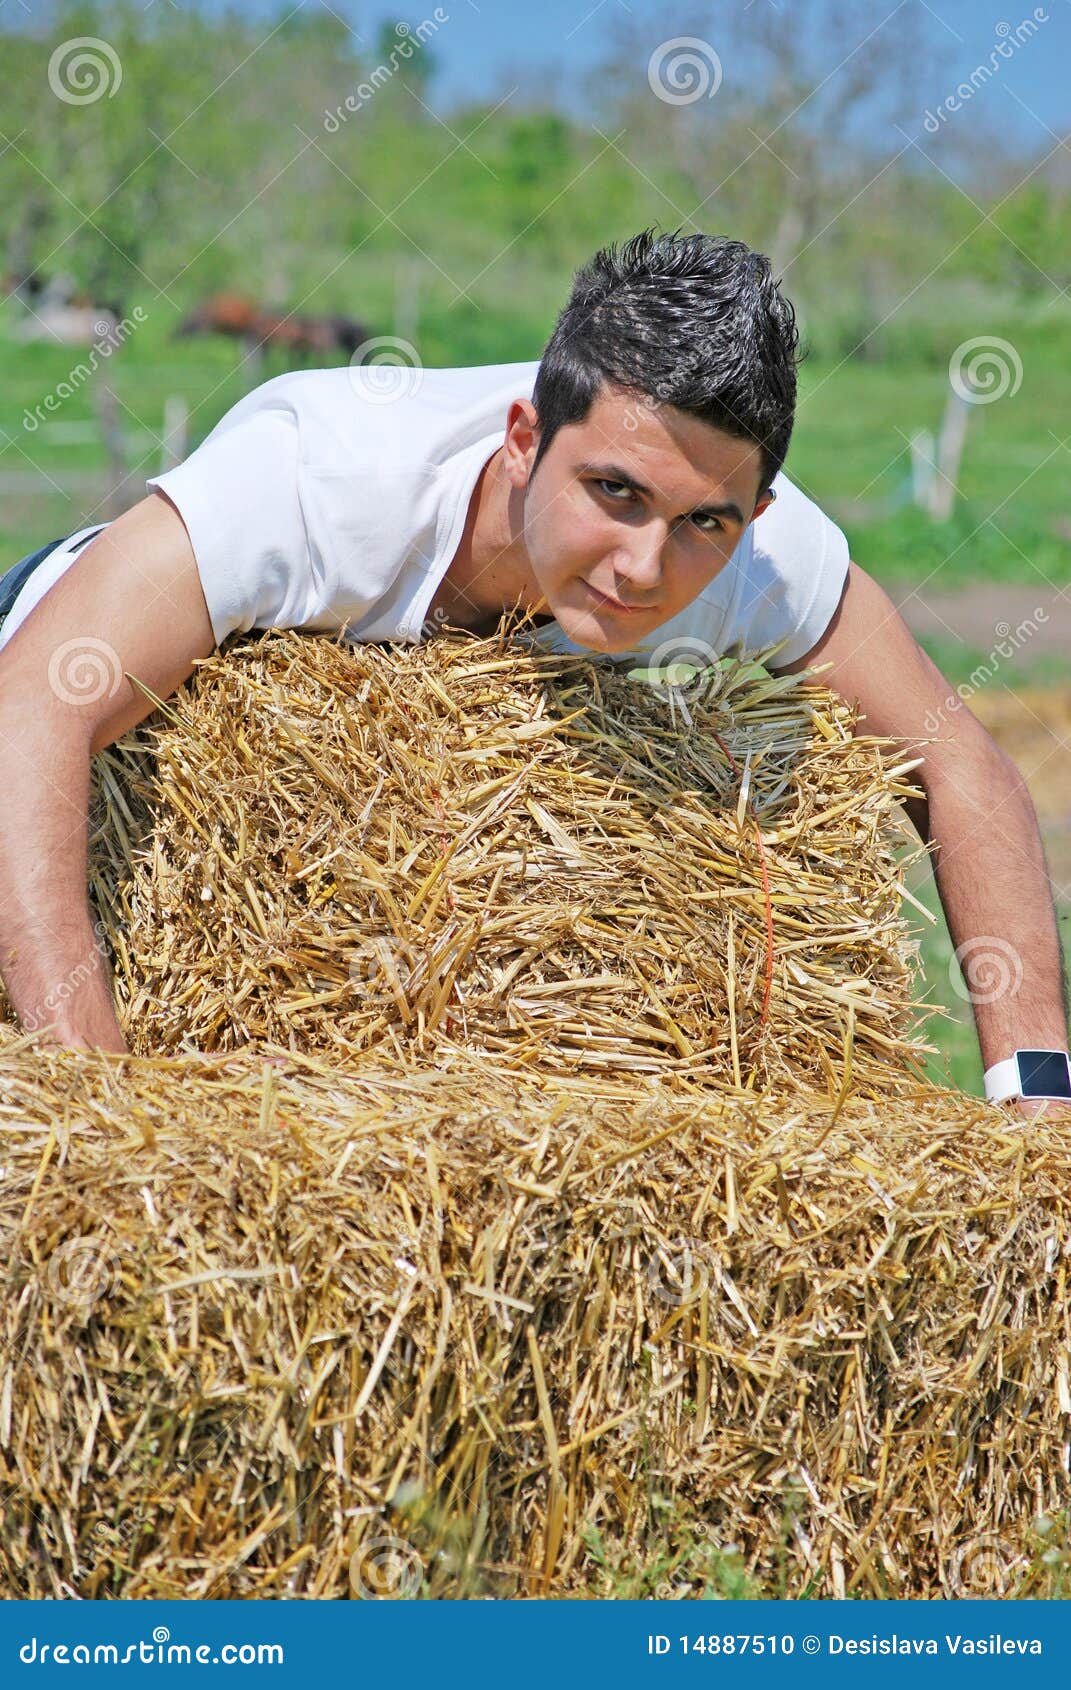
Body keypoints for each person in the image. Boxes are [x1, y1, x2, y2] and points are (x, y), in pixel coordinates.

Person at [0, 227, 1067, 1116]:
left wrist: (1037, 1107)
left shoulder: (756, 559)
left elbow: (958, 765)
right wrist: (110, 1119)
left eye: (705, 521)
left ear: (757, 516)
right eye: (612, 492)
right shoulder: (319, 475)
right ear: (523, 438)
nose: (646, 566)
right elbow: (35, 710)